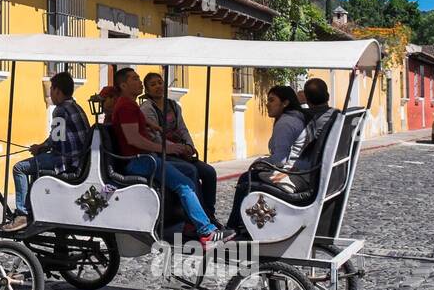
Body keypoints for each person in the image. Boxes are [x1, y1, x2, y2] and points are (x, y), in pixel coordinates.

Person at [111, 67, 233, 248]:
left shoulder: (132, 105)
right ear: (123, 85)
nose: (139, 82)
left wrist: (162, 133)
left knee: (190, 172)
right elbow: (133, 139)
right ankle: (206, 232)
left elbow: (146, 124)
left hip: (146, 158)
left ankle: (194, 221)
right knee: (184, 185)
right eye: (135, 79)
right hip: (139, 162)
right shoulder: (126, 106)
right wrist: (165, 147)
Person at [229, 81, 335, 235]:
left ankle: (235, 226)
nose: (267, 104)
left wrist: (259, 162)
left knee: (246, 179)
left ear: (285, 103)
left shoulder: (285, 123)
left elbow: (280, 161)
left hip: (293, 175)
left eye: (272, 100)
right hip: (304, 171)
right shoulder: (298, 117)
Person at [3, 71, 91, 232]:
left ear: (58, 91)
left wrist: (40, 147)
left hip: (65, 160)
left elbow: (55, 140)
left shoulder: (60, 109)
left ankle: (23, 214)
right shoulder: (76, 106)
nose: (50, 93)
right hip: (78, 159)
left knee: (19, 168)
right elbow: (58, 137)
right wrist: (42, 147)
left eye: (52, 90)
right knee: (36, 162)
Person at [140, 72, 218, 223]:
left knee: (209, 172)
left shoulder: (173, 106)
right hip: (163, 152)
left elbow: (182, 128)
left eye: (160, 82)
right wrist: (178, 148)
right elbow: (155, 137)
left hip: (180, 151)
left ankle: (210, 212)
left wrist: (189, 146)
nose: (158, 86)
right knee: (192, 171)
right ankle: (196, 217)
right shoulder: (147, 109)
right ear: (147, 90)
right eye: (153, 84)